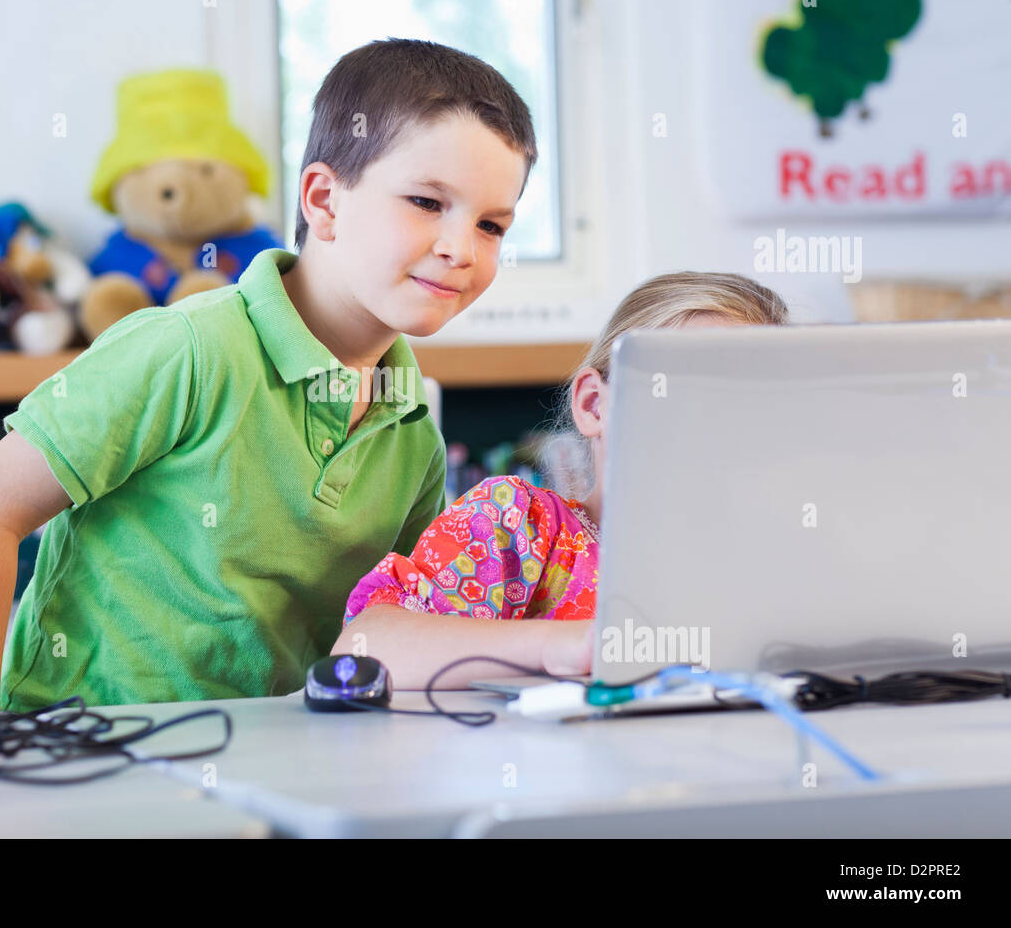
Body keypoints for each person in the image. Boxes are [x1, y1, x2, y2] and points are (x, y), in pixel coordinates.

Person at [0, 39, 538, 713]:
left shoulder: (413, 435)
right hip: (76, 768)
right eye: (427, 202)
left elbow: (387, 632)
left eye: (491, 225)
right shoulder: (187, 349)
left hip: (273, 782)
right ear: (324, 200)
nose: (461, 249)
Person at [334, 271, 790, 689]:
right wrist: (568, 644)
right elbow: (365, 649)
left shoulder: (777, 555)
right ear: (594, 405)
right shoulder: (520, 524)